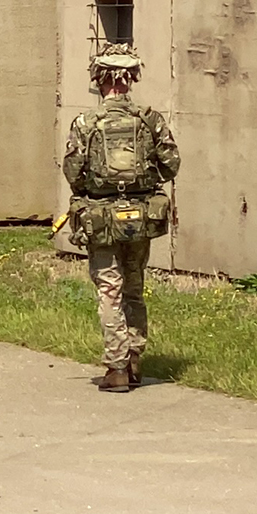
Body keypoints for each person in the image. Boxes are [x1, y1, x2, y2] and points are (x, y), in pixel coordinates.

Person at [63, 44, 181, 393]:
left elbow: (73, 172)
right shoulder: (150, 119)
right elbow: (171, 165)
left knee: (109, 289)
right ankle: (134, 360)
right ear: (130, 78)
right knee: (133, 287)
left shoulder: (86, 123)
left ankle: (116, 367)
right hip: (140, 217)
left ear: (99, 79)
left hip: (100, 217)